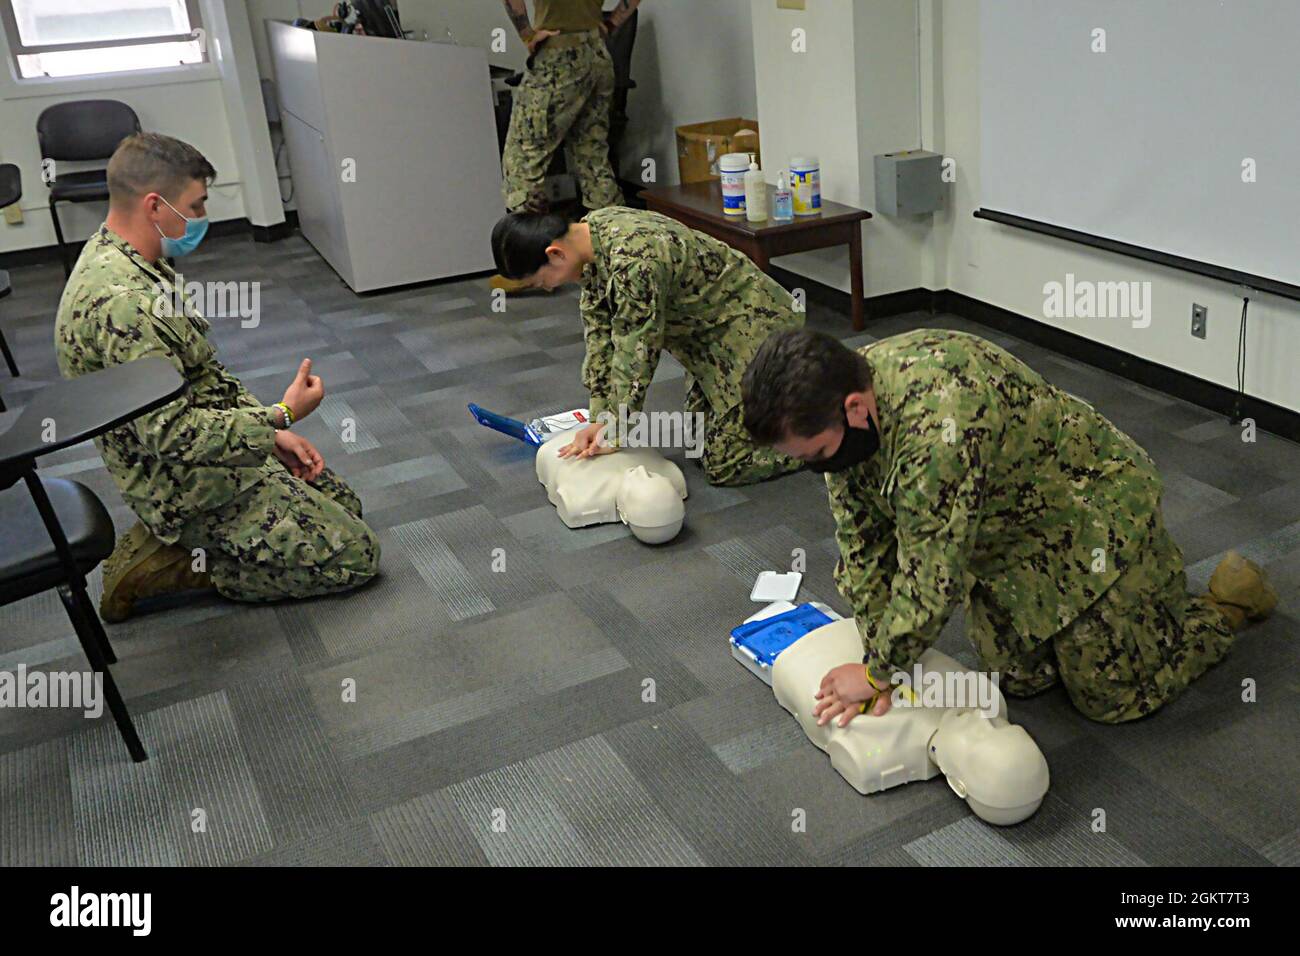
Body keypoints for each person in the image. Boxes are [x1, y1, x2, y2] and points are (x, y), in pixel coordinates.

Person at [741, 327, 1277, 725]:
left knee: (1110, 697)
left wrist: (880, 672)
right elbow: (862, 542)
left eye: (815, 454)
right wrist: (878, 652)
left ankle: (1212, 605)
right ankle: (1133, 610)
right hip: (1004, 534)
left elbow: (933, 574)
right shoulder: (844, 406)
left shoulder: (941, 422)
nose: (816, 468)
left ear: (854, 407)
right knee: (1019, 680)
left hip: (1090, 513)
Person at [54, 133, 379, 621]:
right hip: (179, 481)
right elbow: (171, 435)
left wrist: (272, 436)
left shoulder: (133, 258)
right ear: (154, 205)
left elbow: (203, 375)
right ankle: (178, 562)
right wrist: (280, 414)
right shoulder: (124, 304)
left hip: (205, 449)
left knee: (344, 506)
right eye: (195, 204)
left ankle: (206, 545)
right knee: (355, 557)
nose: (202, 218)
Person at [491, 206, 804, 486]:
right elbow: (601, 339)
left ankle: (819, 440)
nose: (546, 289)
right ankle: (784, 403)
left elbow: (636, 355)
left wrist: (616, 432)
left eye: (540, 281)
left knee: (725, 465)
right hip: (705, 340)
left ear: (555, 254)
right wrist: (599, 418)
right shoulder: (590, 238)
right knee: (698, 444)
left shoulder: (634, 260)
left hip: (752, 327)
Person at [491, 0, 640, 293]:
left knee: (523, 158)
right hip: (597, 54)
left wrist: (527, 35)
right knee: (593, 159)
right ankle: (621, 253)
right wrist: (611, 24)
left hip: (558, 56)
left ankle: (530, 266)